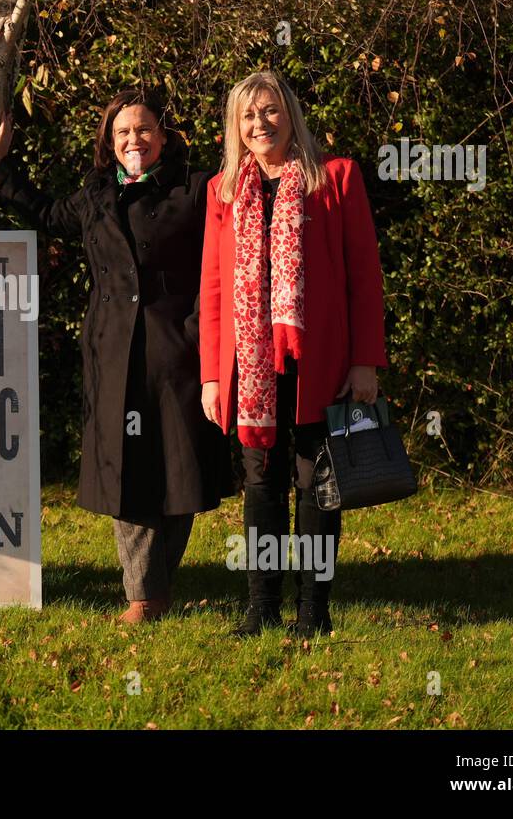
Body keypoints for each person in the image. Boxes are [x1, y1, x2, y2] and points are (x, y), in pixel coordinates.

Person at [0, 89, 233, 623]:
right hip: (113, 353)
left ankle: (154, 586)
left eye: (143, 129)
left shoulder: (196, 189)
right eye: (122, 133)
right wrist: (1, 171)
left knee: (182, 470)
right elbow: (47, 213)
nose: (133, 139)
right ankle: (144, 596)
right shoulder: (96, 195)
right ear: (109, 143)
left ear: (163, 137)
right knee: (126, 469)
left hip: (180, 350)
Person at [199, 70, 387, 637]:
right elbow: (211, 288)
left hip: (320, 363)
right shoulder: (222, 191)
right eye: (249, 115)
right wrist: (212, 376)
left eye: (271, 111)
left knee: (317, 482)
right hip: (251, 368)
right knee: (261, 481)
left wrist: (364, 361)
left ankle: (314, 609)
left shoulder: (336, 178)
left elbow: (364, 276)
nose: (261, 124)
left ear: (291, 115)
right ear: (237, 126)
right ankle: (261, 606)